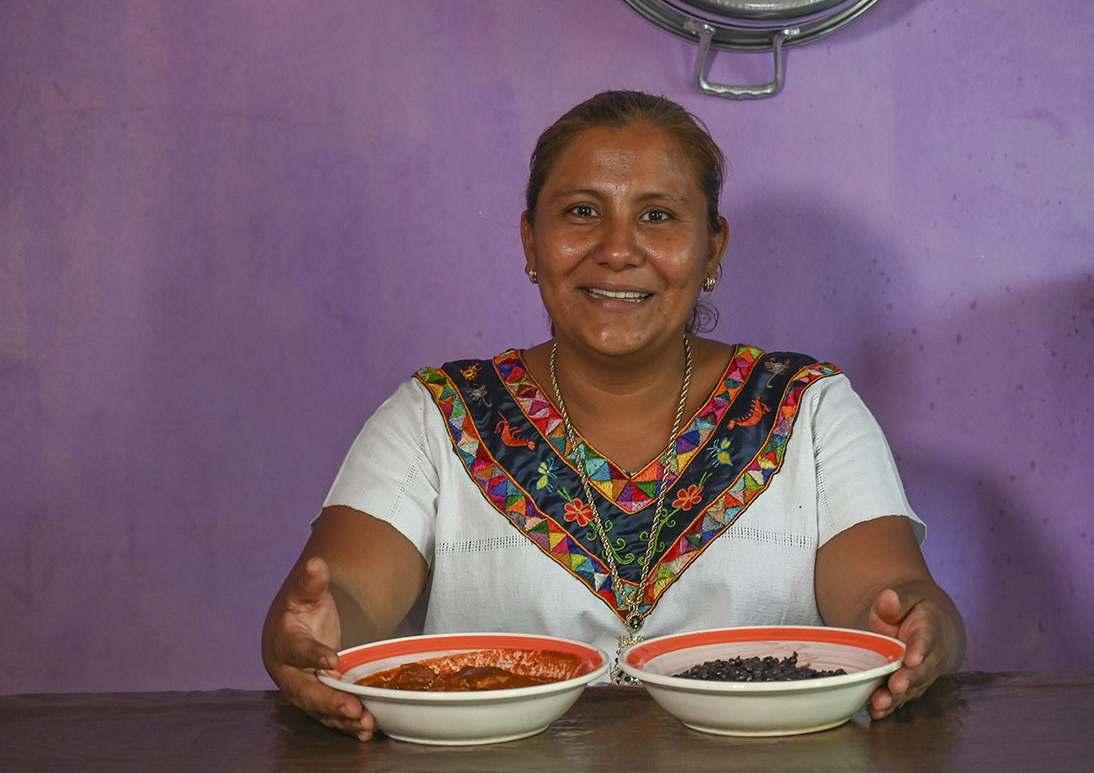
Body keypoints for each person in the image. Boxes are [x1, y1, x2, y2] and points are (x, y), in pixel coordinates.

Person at [261, 90, 966, 741]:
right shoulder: (436, 415)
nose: (618, 250)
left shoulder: (807, 408)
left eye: (657, 216)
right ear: (531, 242)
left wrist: (918, 623)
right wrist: (315, 633)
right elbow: (342, 600)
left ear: (712, 247)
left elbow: (890, 597)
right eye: (581, 212)